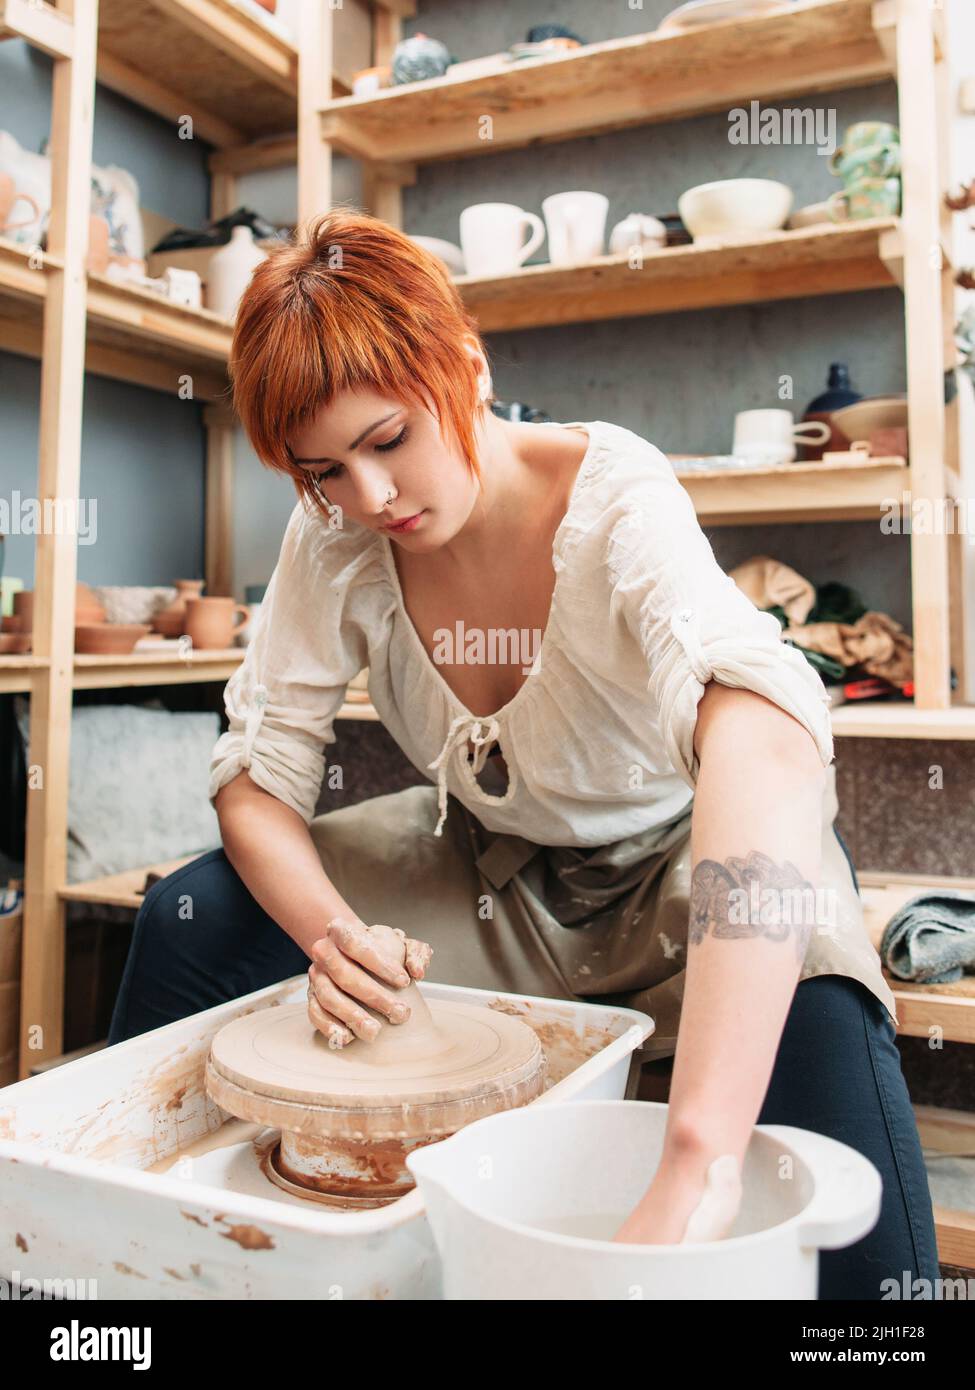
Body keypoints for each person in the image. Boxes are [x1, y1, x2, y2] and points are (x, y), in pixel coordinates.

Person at [108, 210, 939, 1295]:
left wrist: (699, 1155)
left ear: (467, 367)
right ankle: (132, 1267)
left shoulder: (613, 495)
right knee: (193, 919)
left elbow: (765, 737)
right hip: (483, 861)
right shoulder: (337, 534)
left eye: (389, 440)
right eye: (324, 472)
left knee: (840, 1138)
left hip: (684, 863)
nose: (371, 499)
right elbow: (261, 778)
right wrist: (337, 939)